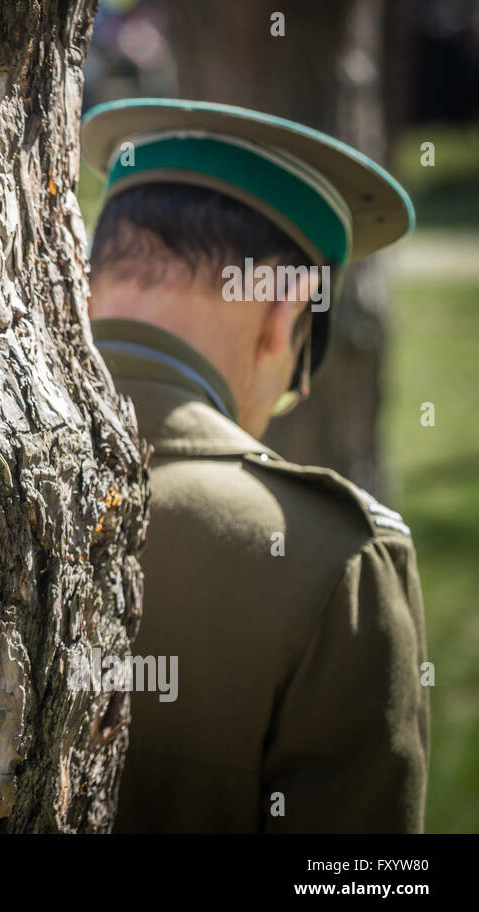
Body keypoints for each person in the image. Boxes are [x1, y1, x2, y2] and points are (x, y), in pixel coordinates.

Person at [80, 98, 429, 832]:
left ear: (88, 273)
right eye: (310, 356)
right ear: (285, 309)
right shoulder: (334, 561)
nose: (290, 394)